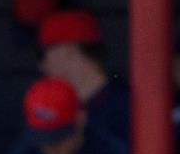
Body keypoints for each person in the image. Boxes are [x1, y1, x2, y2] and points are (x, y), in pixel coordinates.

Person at [38, 9, 130, 146]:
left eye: (44, 54)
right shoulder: (60, 108)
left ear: (69, 51)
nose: (43, 65)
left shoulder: (126, 105)